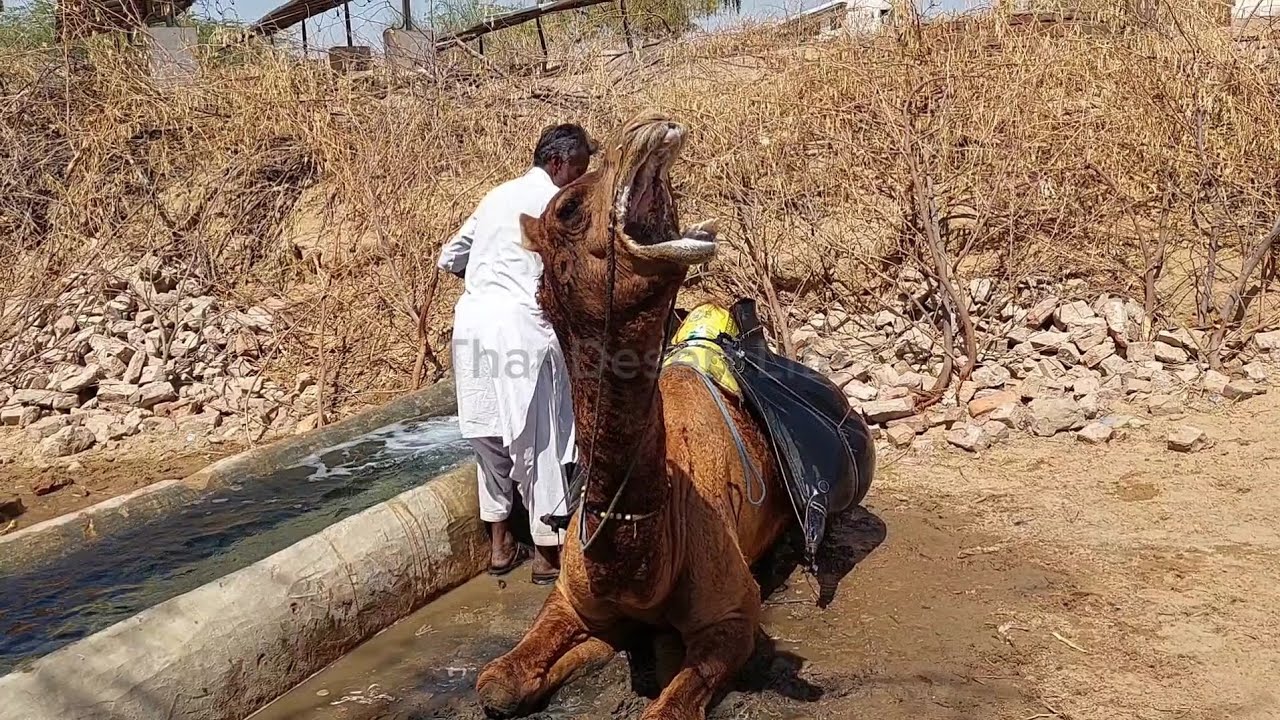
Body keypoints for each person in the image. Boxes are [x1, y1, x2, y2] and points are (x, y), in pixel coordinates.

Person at [436, 123, 594, 585]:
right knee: (541, 441)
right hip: (521, 330)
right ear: (557, 163)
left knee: (489, 439)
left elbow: (450, 257)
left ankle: (501, 545)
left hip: (472, 325)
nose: (582, 179)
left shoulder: (495, 196)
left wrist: (490, 278)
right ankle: (547, 554)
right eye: (580, 169)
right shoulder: (558, 205)